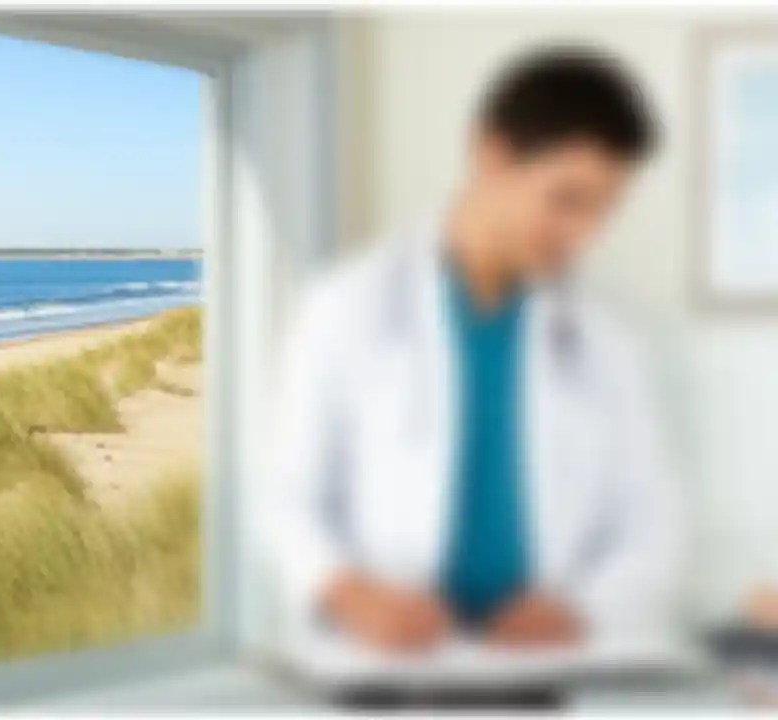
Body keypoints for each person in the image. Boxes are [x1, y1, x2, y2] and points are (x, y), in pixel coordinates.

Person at [272, 46, 684, 656]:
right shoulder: (346, 308)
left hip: (540, 666)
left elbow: (652, 520)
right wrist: (353, 594)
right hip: (388, 668)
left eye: (602, 210)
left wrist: (578, 607)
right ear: (491, 154)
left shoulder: (607, 342)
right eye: (566, 200)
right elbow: (288, 498)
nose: (583, 234)